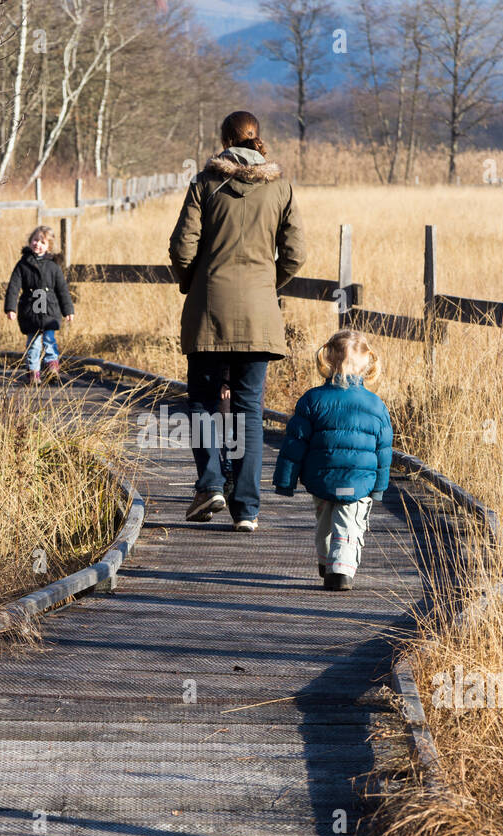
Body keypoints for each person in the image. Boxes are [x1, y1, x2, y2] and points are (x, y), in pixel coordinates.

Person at [168, 111, 305, 532]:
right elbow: (297, 252)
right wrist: (268, 284)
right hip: (260, 316)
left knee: (204, 404)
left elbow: (182, 246)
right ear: (256, 139)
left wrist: (193, 283)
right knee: (249, 411)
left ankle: (209, 483)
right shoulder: (280, 185)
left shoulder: (205, 183)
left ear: (225, 139)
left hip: (209, 312)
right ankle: (246, 509)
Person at [272, 329, 392, 591]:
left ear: (327, 359)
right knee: (349, 523)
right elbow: (383, 451)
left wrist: (285, 481)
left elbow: (295, 443)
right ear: (367, 363)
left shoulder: (312, 400)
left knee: (325, 521)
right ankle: (340, 571)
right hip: (358, 479)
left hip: (320, 477)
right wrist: (380, 487)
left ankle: (326, 561)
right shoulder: (376, 405)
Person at [4, 226, 74, 385]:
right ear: (30, 242)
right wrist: (10, 308)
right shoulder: (23, 264)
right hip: (30, 309)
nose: (38, 244)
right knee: (34, 343)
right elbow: (14, 287)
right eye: (35, 240)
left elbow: (62, 289)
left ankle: (52, 370)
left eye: (42, 242)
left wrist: (68, 310)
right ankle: (33, 373)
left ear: (48, 246)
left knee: (50, 340)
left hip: (49, 308)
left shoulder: (53, 266)